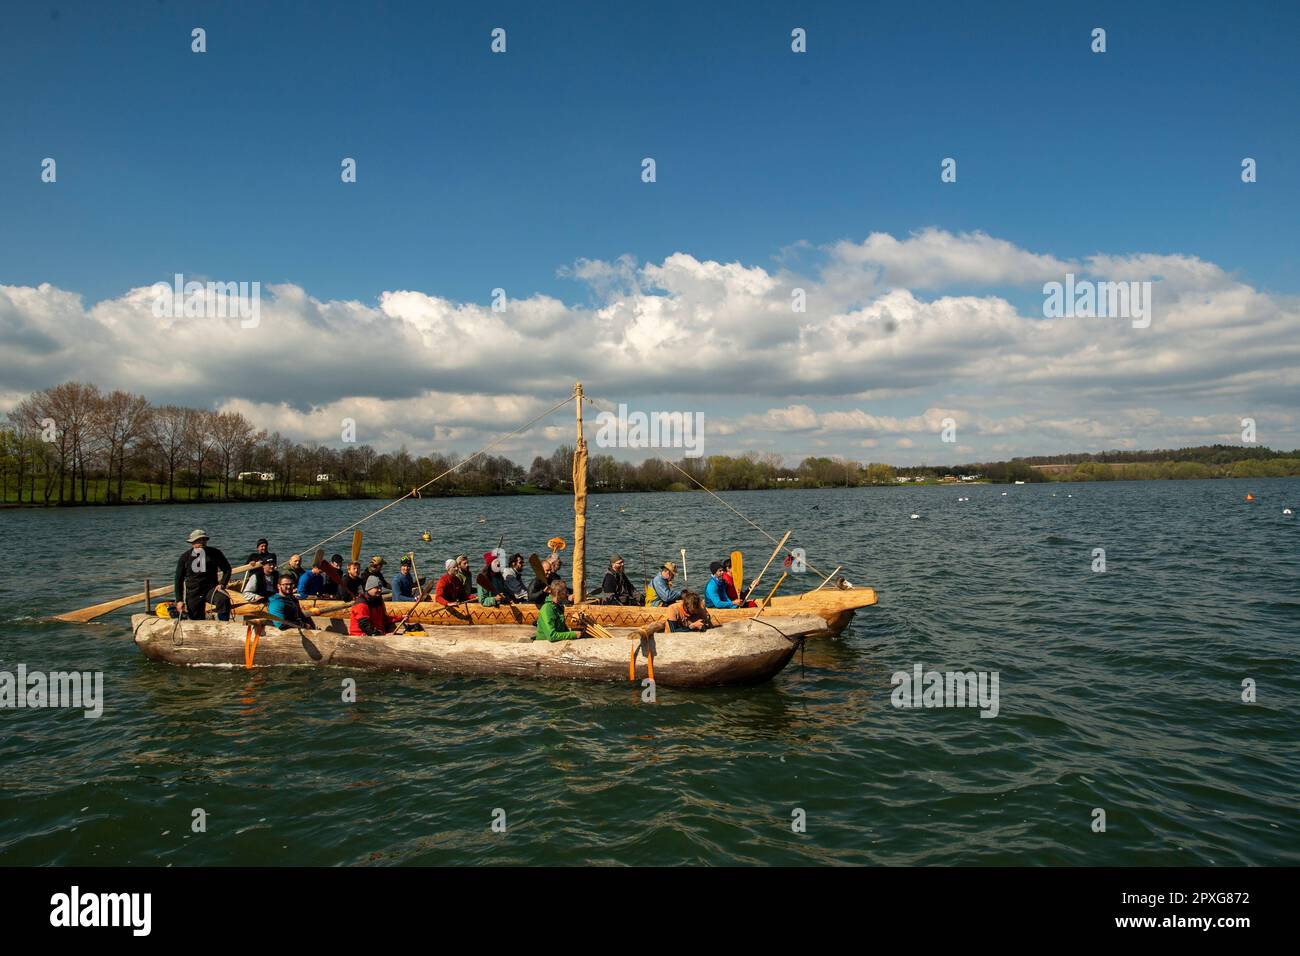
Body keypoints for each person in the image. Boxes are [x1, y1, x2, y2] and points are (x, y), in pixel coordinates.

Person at [173, 529, 233, 621]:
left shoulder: (215, 553)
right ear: (192, 543)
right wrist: (179, 600)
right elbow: (178, 579)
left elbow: (227, 569)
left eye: (204, 540)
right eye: (198, 540)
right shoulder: (185, 557)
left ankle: (224, 625)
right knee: (196, 619)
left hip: (211, 589)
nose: (202, 542)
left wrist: (222, 584)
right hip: (194, 592)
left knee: (223, 599)